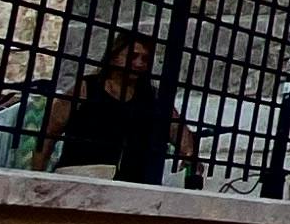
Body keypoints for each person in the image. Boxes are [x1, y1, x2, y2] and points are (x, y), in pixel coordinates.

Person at [45, 34, 200, 187]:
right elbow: (49, 133)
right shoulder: (86, 89)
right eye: (133, 56)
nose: (139, 64)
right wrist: (38, 176)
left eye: (145, 59)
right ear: (114, 56)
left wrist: (189, 154)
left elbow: (178, 131)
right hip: (82, 180)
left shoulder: (152, 98)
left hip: (133, 184)